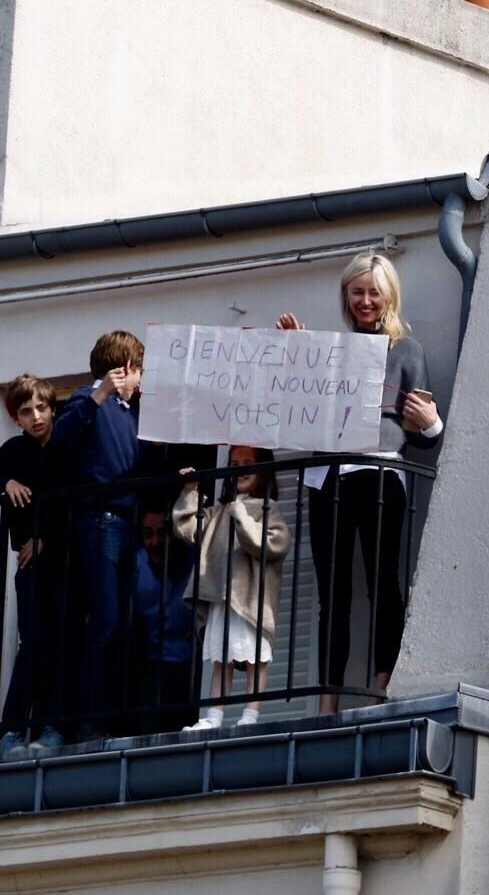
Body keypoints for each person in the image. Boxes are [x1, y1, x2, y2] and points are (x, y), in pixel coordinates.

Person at [277, 252, 442, 715]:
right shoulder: (331, 349)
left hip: (381, 473)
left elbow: (425, 436)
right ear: (346, 296)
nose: (366, 301)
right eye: (358, 292)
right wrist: (298, 358)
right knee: (333, 592)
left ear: (389, 295)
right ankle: (327, 697)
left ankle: (381, 681)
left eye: (374, 292)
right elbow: (297, 408)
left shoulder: (407, 351)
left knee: (382, 580)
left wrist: (429, 423)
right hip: (328, 477)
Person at [0, 374, 69, 754]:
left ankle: (51, 726)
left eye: (41, 408)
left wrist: (45, 537)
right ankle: (15, 729)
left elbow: (72, 499)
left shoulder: (66, 446)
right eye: (26, 412)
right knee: (33, 642)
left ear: (52, 408)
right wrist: (4, 482)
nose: (36, 417)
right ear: (18, 419)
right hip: (31, 564)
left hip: (66, 557)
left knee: (60, 641)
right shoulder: (15, 451)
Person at [49, 330, 144, 740]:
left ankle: (106, 717)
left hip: (126, 522)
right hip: (101, 520)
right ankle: (89, 721)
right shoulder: (87, 398)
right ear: (125, 369)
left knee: (120, 623)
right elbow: (61, 437)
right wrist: (100, 393)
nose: (141, 380)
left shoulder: (128, 412)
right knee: (104, 621)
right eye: (138, 371)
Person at [172, 446, 290, 730]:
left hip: (250, 600)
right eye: (235, 463)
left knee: (255, 659)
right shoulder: (219, 511)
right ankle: (214, 717)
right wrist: (190, 490)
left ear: (262, 470)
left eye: (248, 463)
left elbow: (275, 544)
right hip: (221, 598)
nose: (241, 469)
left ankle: (250, 716)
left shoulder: (268, 509)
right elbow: (188, 529)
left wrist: (244, 518)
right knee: (220, 658)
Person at [131, 502, 197, 733]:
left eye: (162, 534)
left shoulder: (194, 561)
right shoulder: (137, 564)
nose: (155, 542)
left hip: (191, 663)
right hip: (153, 661)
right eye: (148, 535)